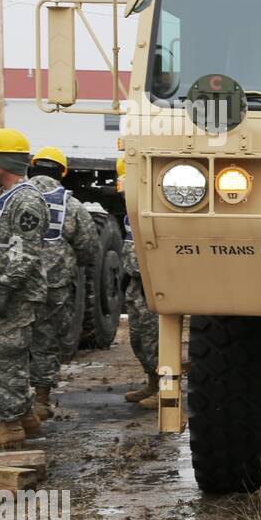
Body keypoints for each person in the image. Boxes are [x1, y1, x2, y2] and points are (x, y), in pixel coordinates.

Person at [0, 129, 50, 452]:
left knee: (5, 359)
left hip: (14, 296)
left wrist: (3, 289)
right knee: (0, 356)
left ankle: (11, 425)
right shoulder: (6, 196)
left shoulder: (26, 200)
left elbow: (25, 253)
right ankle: (25, 416)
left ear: (6, 160)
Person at [26, 146, 99, 420]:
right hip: (53, 283)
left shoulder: (11, 196)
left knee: (12, 338)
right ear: (62, 173)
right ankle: (41, 401)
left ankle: (8, 400)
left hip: (15, 282)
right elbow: (88, 247)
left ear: (33, 167)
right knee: (45, 339)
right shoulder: (72, 205)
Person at [117, 156, 158, 407]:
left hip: (151, 283)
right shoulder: (131, 210)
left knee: (156, 339)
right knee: (138, 338)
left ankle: (166, 391)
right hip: (136, 283)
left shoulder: (153, 205)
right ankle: (152, 383)